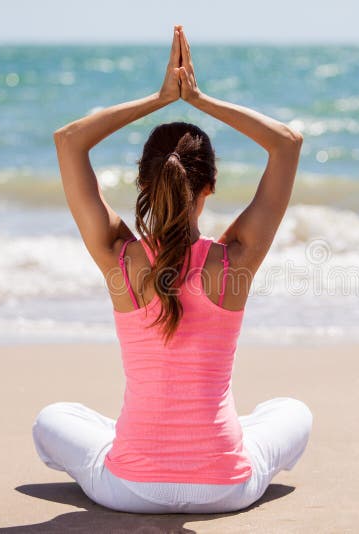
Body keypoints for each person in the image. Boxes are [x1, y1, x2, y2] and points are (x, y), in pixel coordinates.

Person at [32, 25, 312, 514]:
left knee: (52, 419)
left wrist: (162, 98)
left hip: (129, 490)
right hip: (227, 487)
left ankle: (146, 442)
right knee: (292, 412)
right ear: (211, 185)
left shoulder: (119, 255)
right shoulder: (235, 259)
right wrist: (198, 100)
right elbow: (287, 143)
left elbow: (69, 140)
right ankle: (209, 437)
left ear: (143, 180)